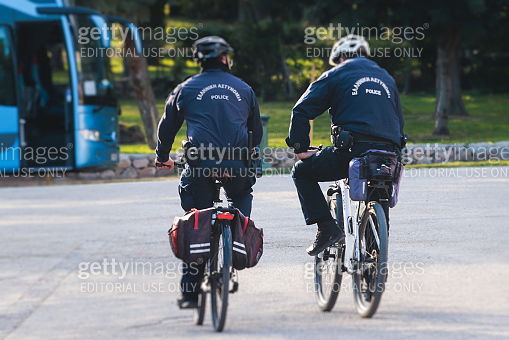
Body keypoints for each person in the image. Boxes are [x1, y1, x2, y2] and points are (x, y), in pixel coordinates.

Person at [155, 36, 263, 308]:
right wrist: (252, 160)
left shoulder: (186, 89)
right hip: (237, 164)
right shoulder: (244, 89)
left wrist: (163, 157)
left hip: (199, 165)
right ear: (225, 58)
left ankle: (190, 294)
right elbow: (256, 132)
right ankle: (237, 241)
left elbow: (167, 127)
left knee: (197, 220)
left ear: (199, 60)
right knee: (241, 196)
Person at [286, 35, 405, 256]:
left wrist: (301, 147)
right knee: (378, 192)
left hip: (352, 151)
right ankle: (376, 260)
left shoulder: (337, 73)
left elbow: (301, 110)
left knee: (301, 172)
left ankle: (327, 228)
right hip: (388, 154)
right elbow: (398, 121)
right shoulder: (386, 78)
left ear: (340, 57)